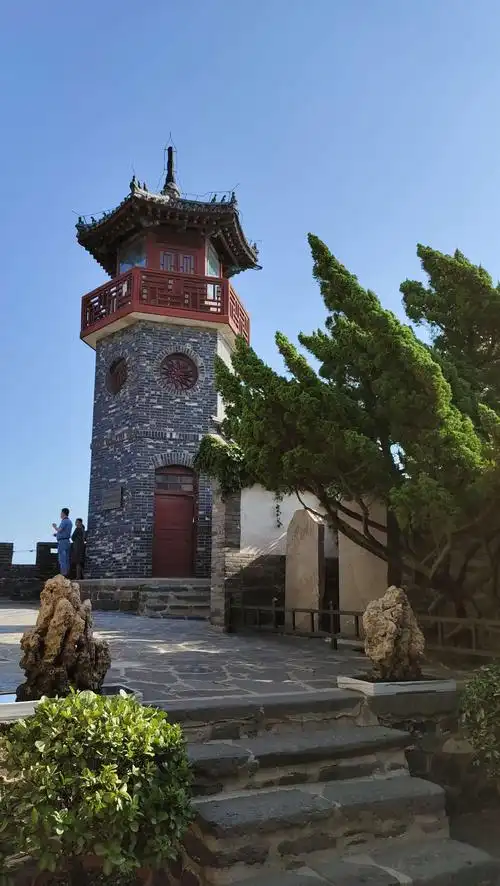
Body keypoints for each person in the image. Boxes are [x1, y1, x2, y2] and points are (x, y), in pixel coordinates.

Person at [52, 508, 73, 577]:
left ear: (63, 513)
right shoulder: (70, 522)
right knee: (66, 559)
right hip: (67, 541)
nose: (60, 514)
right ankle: (67, 574)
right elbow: (65, 532)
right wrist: (57, 535)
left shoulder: (64, 521)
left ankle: (63, 575)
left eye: (61, 513)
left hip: (62, 542)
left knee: (62, 559)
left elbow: (60, 530)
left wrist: (55, 527)